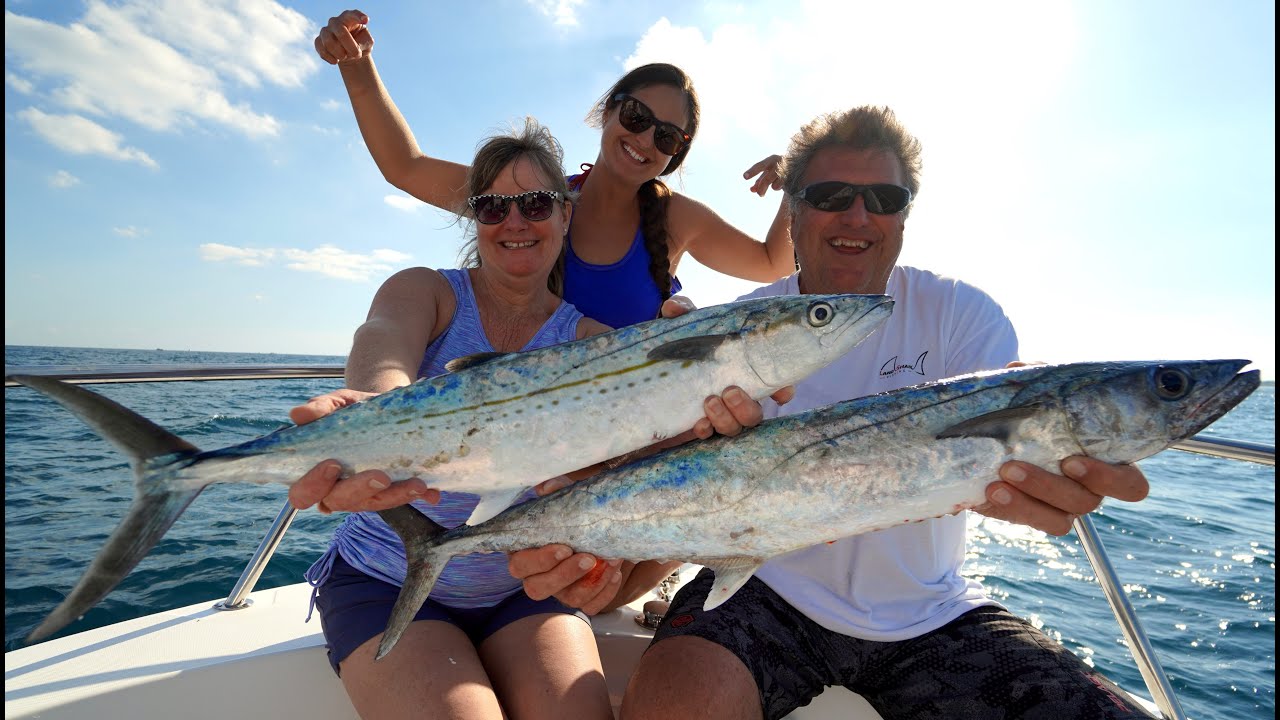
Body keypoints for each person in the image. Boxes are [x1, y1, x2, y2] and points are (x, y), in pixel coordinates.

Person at [514, 105, 1155, 720]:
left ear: (906, 215)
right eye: (830, 195)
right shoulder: (737, 335)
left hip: (931, 610)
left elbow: (1009, 415)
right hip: (759, 588)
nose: (858, 214)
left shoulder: (962, 315)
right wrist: (610, 573)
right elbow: (681, 497)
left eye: (885, 199)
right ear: (792, 209)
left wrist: (1052, 452)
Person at [288, 117, 772, 720]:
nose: (515, 222)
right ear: (475, 218)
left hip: (525, 585)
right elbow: (385, 341)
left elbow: (649, 448)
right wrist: (374, 409)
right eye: (493, 208)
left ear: (565, 215)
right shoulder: (429, 293)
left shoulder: (592, 342)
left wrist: (706, 391)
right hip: (383, 579)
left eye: (537, 204)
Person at [313, 9, 795, 329]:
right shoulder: (529, 200)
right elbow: (405, 166)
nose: (645, 140)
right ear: (609, 111)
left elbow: (771, 262)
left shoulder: (679, 220)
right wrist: (357, 66)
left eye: (666, 136)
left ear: (676, 153)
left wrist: (797, 181)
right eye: (636, 117)